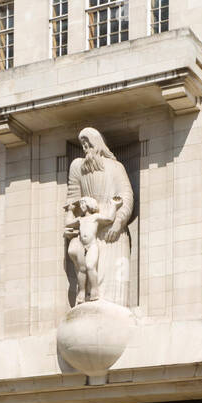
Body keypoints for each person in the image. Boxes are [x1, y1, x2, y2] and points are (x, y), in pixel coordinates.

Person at [65, 128, 135, 306]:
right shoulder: (77, 167)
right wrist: (69, 225)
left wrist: (119, 221)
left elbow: (126, 195)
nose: (85, 147)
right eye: (82, 144)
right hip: (89, 229)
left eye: (88, 143)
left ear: (97, 143)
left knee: (114, 290)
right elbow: (72, 200)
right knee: (86, 270)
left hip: (112, 229)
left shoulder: (116, 167)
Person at [64, 195, 123, 304]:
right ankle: (81, 292)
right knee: (82, 270)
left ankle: (94, 290)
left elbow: (109, 219)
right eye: (80, 204)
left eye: (83, 203)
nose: (81, 206)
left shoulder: (95, 217)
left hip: (92, 245)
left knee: (90, 266)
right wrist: (70, 210)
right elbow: (68, 223)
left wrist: (114, 205)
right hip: (82, 246)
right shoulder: (80, 219)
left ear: (89, 204)